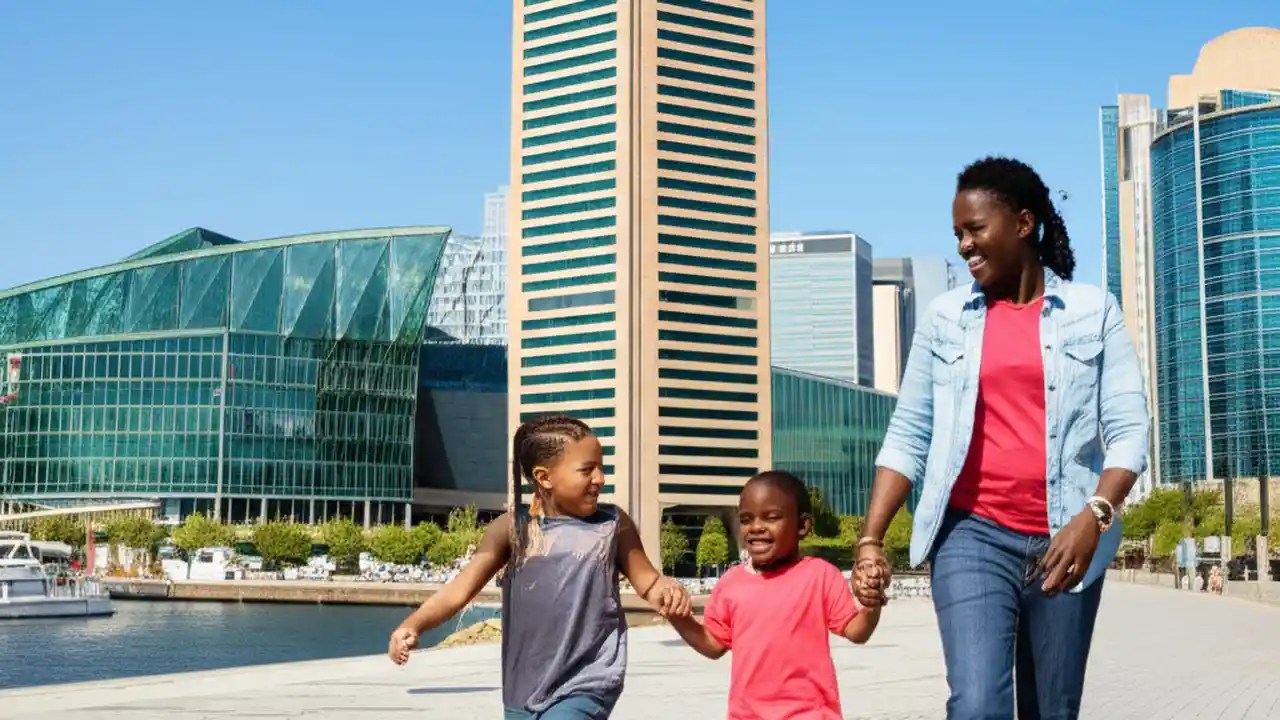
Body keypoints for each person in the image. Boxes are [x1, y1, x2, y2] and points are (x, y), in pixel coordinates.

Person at [853, 157, 1150, 719]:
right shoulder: (945, 319)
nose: (964, 245)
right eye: (957, 234)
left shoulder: (1094, 311)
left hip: (1067, 541)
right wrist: (872, 538)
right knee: (978, 704)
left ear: (1022, 223)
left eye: (975, 229)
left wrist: (1094, 517)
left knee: (1052, 711)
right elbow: (909, 432)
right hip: (973, 536)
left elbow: (1130, 430)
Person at [388, 414, 692, 719]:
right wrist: (412, 625)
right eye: (587, 470)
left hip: (588, 680)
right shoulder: (512, 529)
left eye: (601, 468)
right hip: (524, 689)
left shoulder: (612, 524)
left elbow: (648, 582)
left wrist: (665, 589)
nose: (599, 478)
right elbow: (459, 590)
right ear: (544, 477)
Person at [668, 471, 883, 719]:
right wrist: (680, 620)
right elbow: (714, 644)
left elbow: (857, 631)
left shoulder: (820, 575)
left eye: (771, 518)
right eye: (746, 519)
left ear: (802, 526)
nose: (756, 527)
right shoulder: (730, 584)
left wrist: (871, 605)